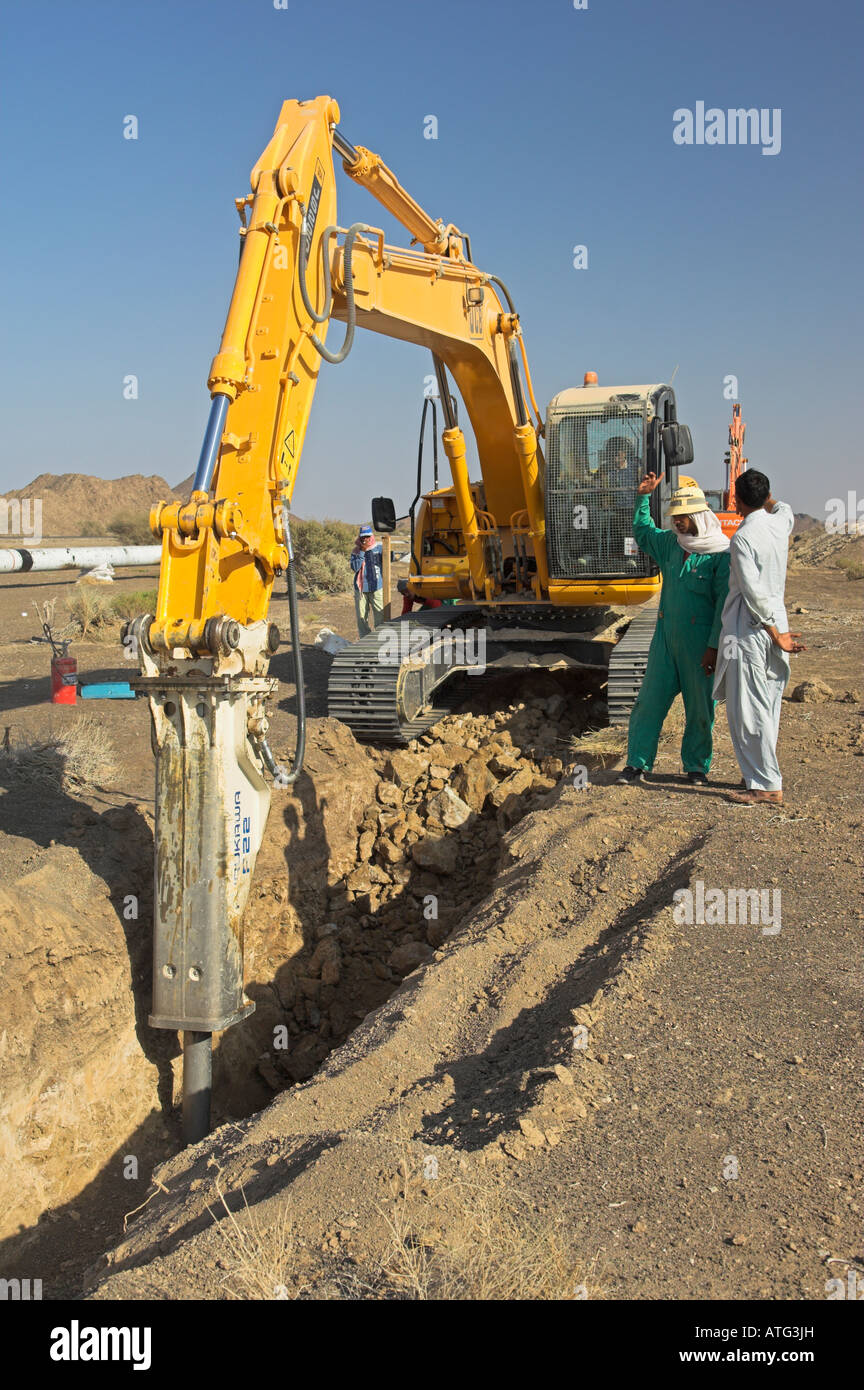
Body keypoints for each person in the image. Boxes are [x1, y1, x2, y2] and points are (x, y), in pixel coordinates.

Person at [618, 474, 730, 786]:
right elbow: (643, 532)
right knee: (648, 704)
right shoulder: (670, 544)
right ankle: (637, 764)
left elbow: (723, 605)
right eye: (674, 518)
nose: (677, 523)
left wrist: (713, 647)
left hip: (700, 647)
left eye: (682, 518)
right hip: (665, 643)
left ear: (698, 516)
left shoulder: (720, 555)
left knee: (700, 711)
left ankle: (696, 768)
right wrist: (642, 499)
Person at [713, 470, 805, 806]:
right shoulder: (778, 525)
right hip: (775, 622)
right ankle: (757, 773)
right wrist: (778, 632)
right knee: (767, 706)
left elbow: (752, 595)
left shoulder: (742, 538)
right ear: (766, 495)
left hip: (752, 630)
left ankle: (765, 785)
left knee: (748, 709)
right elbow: (786, 509)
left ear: (735, 501)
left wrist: (775, 635)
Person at [350, 525, 384, 637]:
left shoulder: (379, 549)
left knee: (380, 615)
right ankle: (365, 639)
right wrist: (362, 552)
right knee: (361, 617)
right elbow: (355, 567)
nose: (365, 539)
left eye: (368, 536)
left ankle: (380, 638)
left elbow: (389, 559)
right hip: (361, 589)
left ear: (372, 536)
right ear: (360, 538)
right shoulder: (356, 551)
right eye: (363, 537)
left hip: (377, 587)